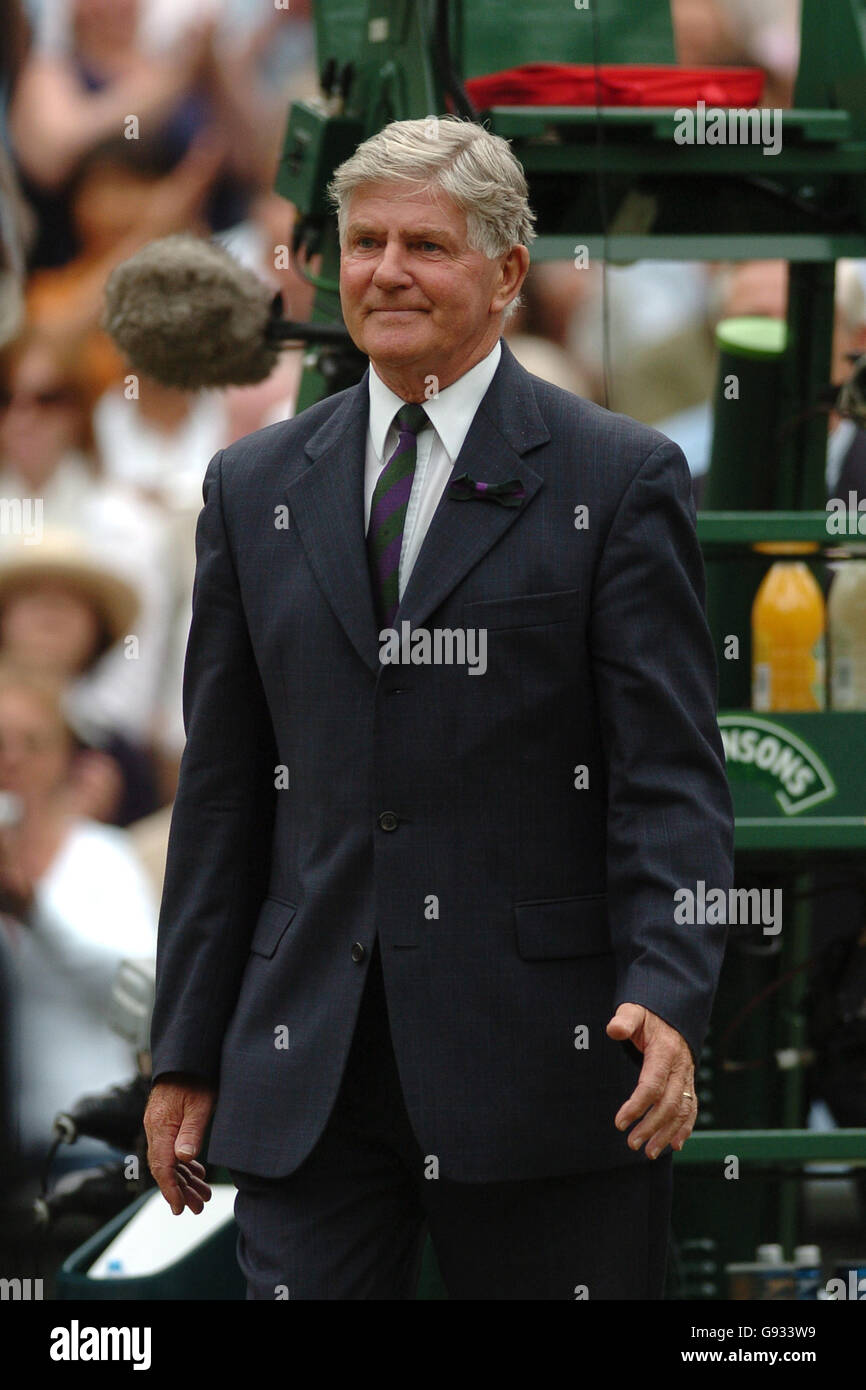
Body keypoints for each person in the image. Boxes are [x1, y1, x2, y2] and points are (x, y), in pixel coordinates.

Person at [144, 115, 735, 1300]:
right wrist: (185, 1050)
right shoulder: (252, 485)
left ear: (507, 274)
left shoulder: (615, 480)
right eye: (363, 243)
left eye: (425, 244)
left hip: (549, 1076)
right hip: (307, 1064)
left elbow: (667, 779)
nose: (385, 272)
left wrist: (668, 992)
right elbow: (221, 795)